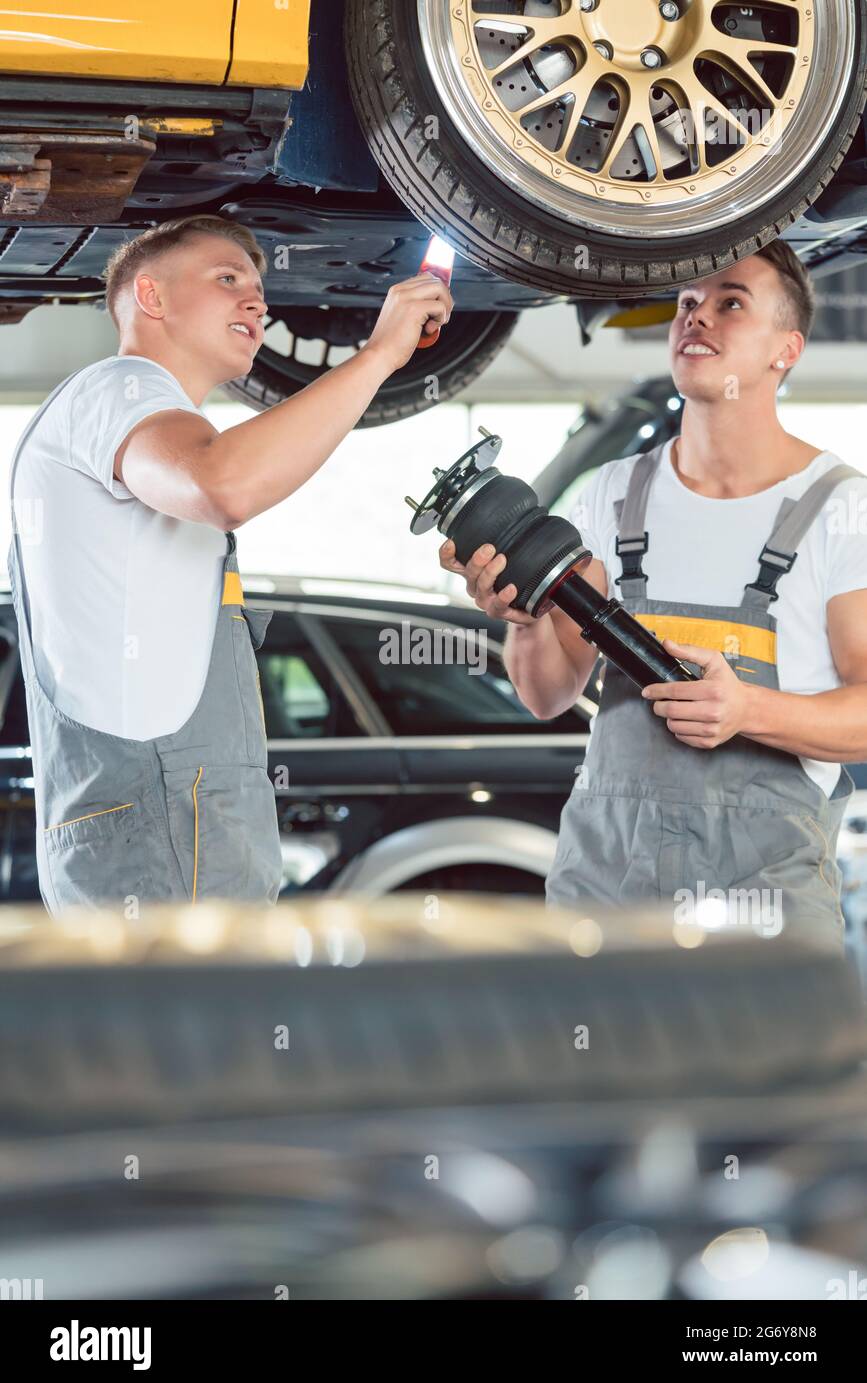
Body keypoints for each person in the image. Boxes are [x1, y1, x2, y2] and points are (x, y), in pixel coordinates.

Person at [9, 214, 452, 914]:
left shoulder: (137, 418)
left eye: (258, 289)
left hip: (172, 821)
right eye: (227, 280)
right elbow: (224, 485)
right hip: (162, 825)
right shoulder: (117, 390)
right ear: (150, 297)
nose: (258, 302)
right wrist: (376, 357)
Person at [441, 242, 867, 940]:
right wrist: (522, 620)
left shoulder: (836, 508)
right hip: (607, 885)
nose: (696, 317)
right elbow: (547, 694)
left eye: (731, 302)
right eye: (686, 303)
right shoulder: (614, 494)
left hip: (763, 899)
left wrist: (745, 709)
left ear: (784, 350)